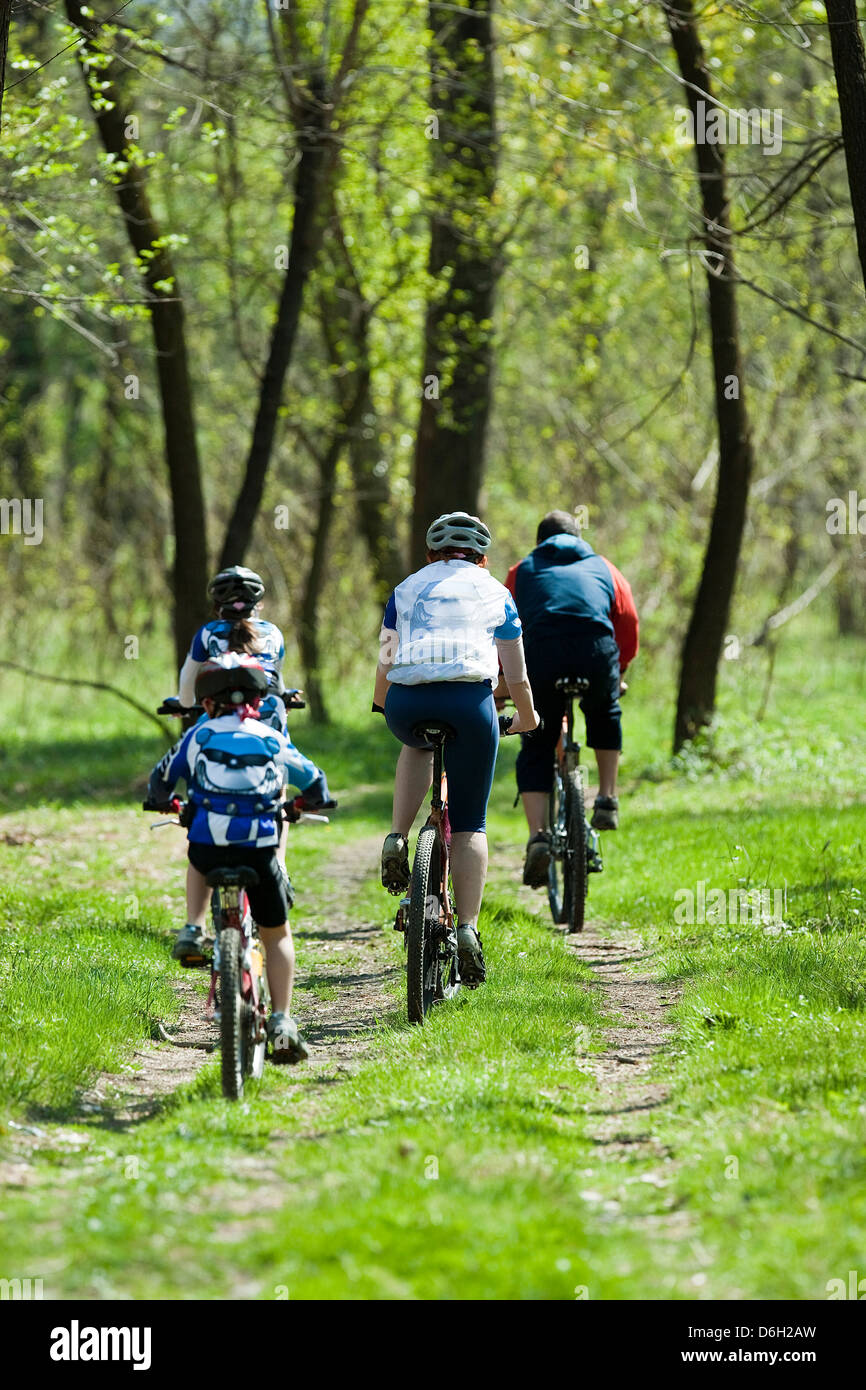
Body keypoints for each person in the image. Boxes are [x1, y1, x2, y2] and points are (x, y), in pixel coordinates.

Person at [373, 511, 539, 986]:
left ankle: (398, 837)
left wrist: (385, 707)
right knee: (470, 825)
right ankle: (467, 930)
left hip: (408, 701)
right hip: (469, 703)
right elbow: (517, 676)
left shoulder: (404, 589)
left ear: (430, 555)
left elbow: (386, 660)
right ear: (483, 559)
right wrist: (526, 719)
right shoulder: (497, 594)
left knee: (416, 747)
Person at [145, 653, 331, 1063]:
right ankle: (282, 1019)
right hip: (260, 850)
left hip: (209, 853)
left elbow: (159, 781)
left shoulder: (199, 735)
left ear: (207, 702)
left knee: (196, 850)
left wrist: (165, 801)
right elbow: (315, 780)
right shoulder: (270, 737)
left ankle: (191, 929)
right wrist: (306, 802)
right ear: (258, 699)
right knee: (276, 933)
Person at [504, 510, 639, 888]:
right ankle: (607, 799)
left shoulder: (522, 569)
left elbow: (504, 623)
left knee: (536, 739)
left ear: (539, 540)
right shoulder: (604, 566)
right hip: (594, 653)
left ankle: (538, 838)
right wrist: (619, 672)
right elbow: (626, 621)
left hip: (542, 656)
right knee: (605, 711)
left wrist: (505, 682)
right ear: (578, 536)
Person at [178, 566, 295, 733]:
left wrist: (185, 703)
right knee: (289, 758)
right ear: (258, 604)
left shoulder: (207, 632)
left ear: (217, 606)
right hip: (269, 719)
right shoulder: (274, 633)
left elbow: (187, 680)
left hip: (220, 718)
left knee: (192, 750)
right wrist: (285, 697)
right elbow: (276, 684)